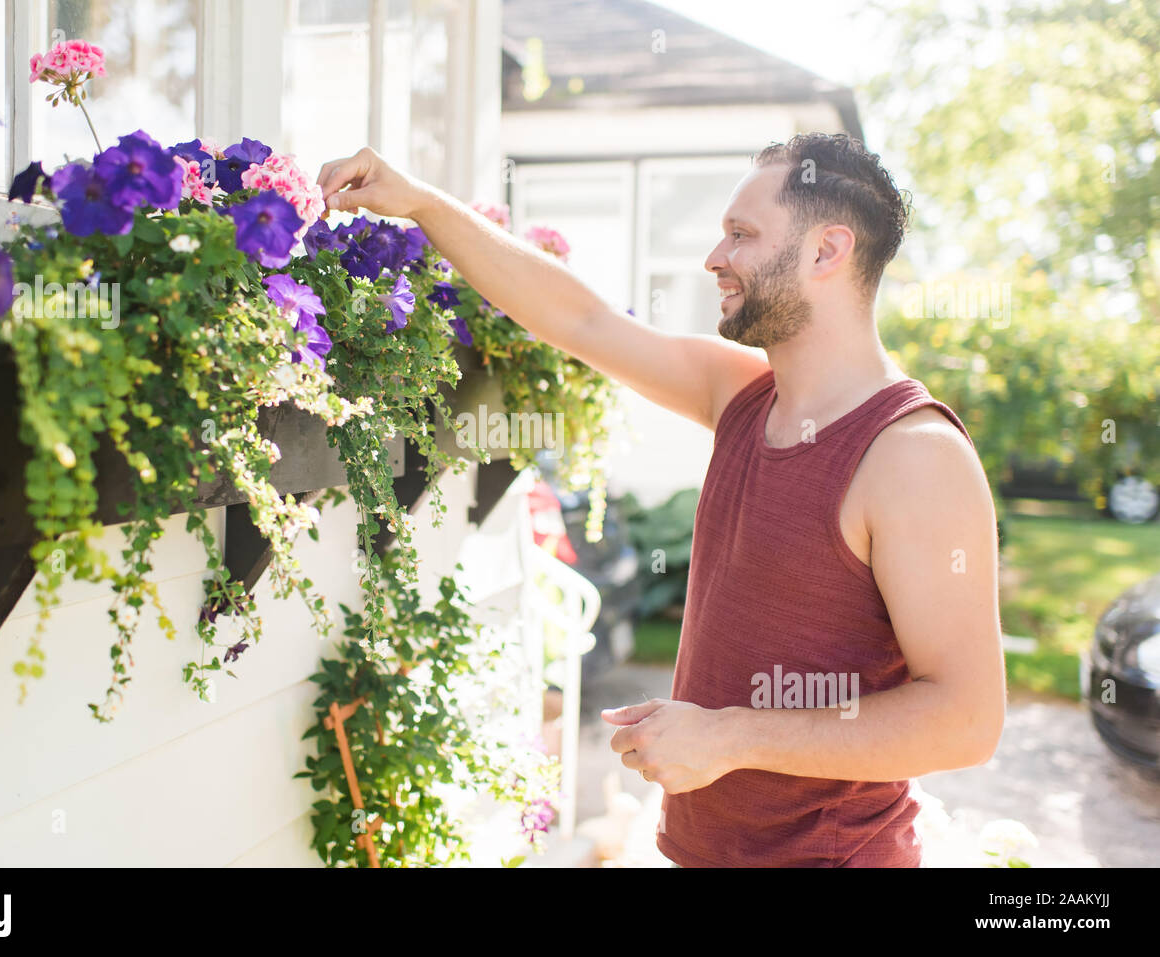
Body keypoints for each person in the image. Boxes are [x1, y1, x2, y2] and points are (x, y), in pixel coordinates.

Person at [315, 132, 1006, 867]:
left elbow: (965, 719)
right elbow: (584, 322)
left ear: (826, 252)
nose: (714, 258)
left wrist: (733, 735)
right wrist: (420, 202)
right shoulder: (742, 395)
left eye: (741, 234)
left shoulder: (915, 457)